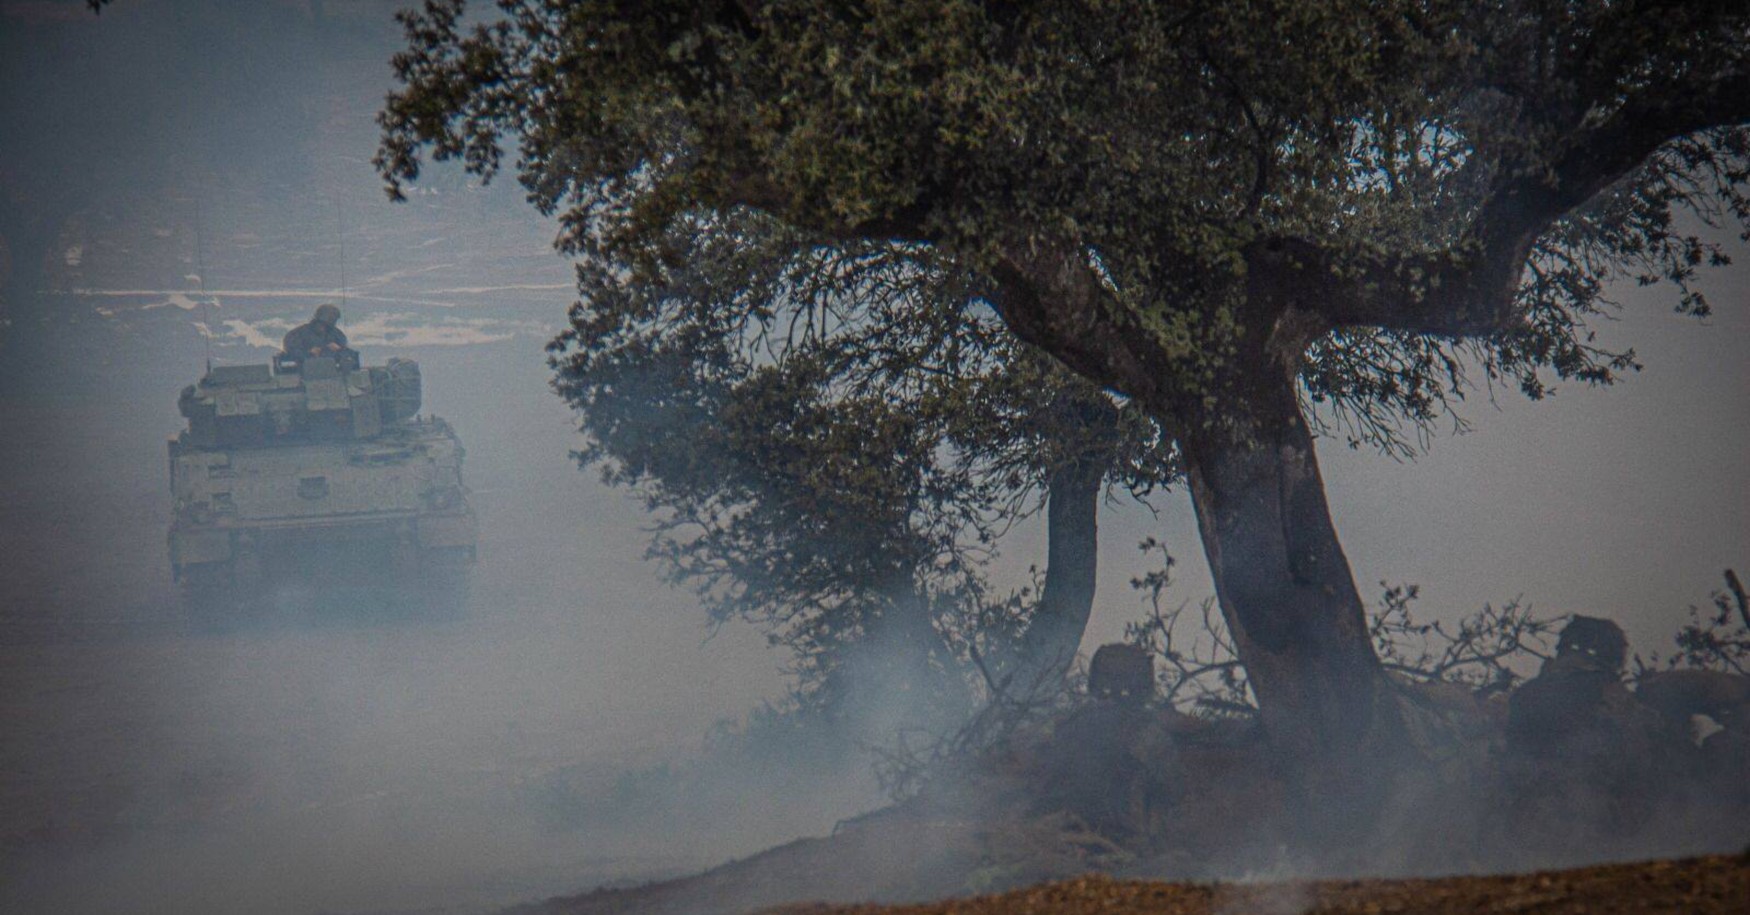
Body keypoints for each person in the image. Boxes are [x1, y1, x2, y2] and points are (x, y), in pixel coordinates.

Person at [281, 303, 350, 364]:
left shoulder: (337, 335)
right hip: (304, 372)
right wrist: (309, 353)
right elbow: (290, 352)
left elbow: (348, 354)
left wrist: (339, 350)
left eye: (326, 326)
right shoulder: (296, 334)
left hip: (332, 371)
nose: (322, 328)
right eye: (320, 324)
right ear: (316, 321)